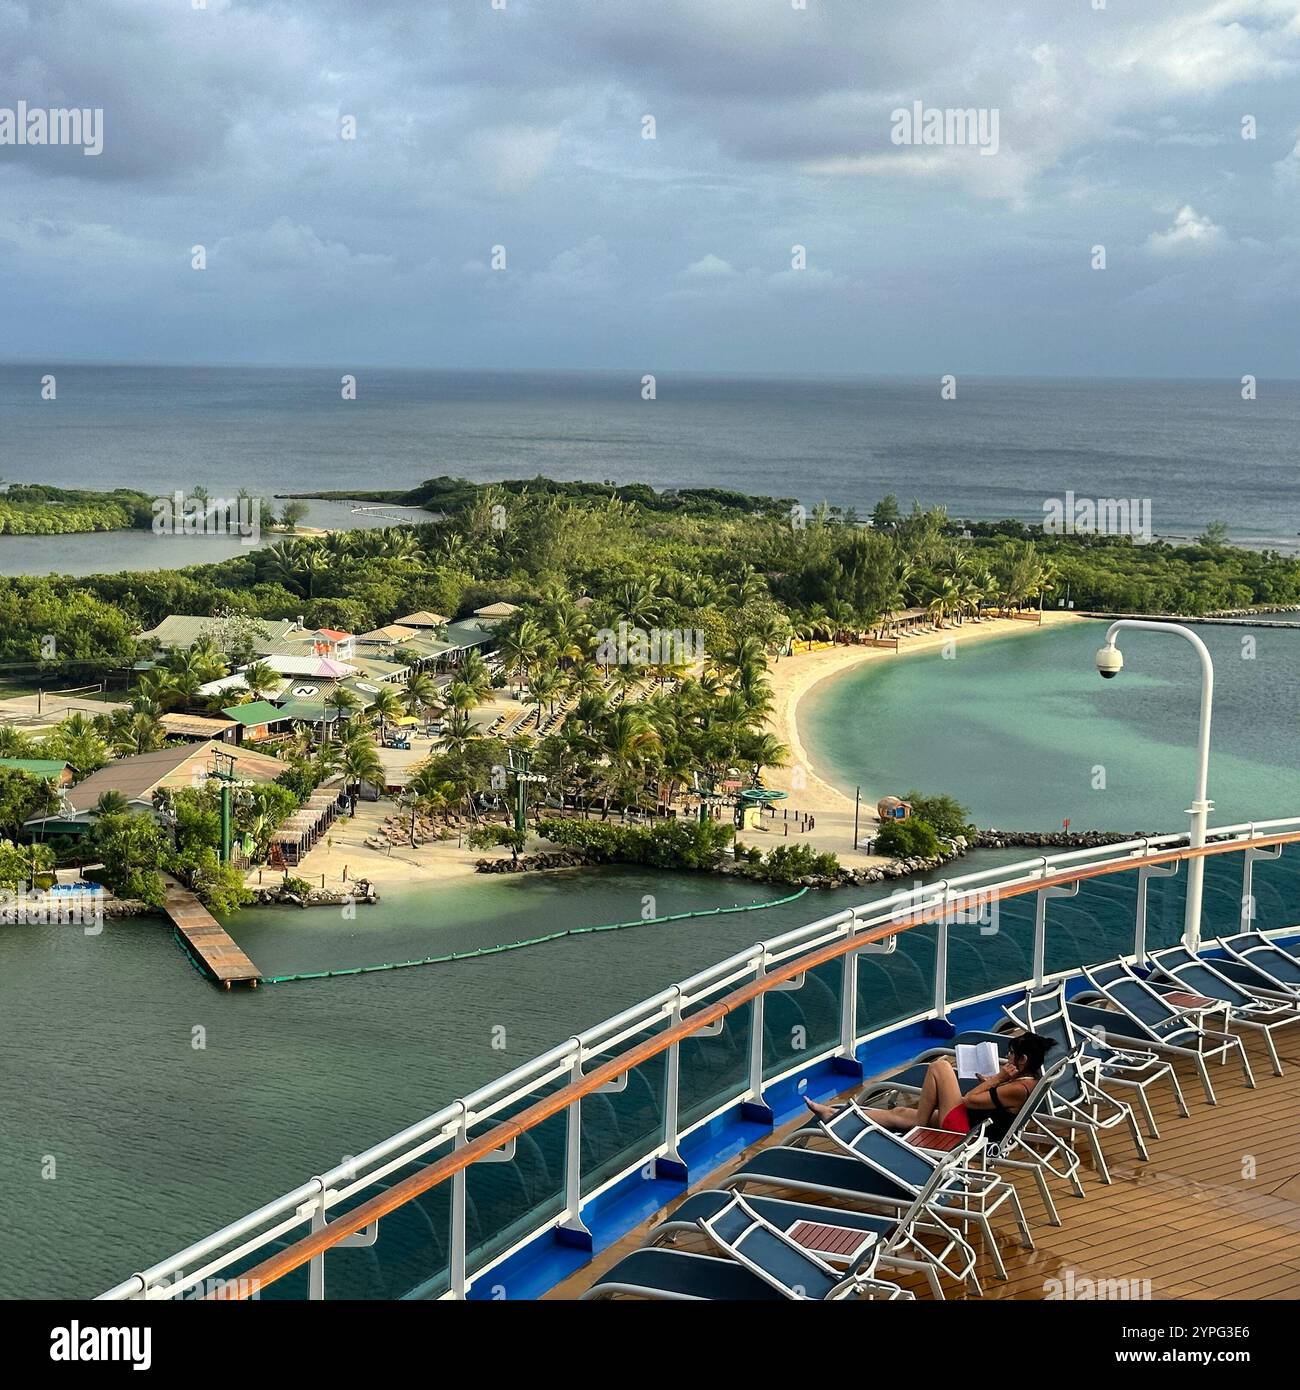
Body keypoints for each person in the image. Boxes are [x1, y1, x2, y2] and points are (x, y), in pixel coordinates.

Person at [805, 1033, 1055, 1144]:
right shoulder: (1028, 1082)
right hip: (973, 1124)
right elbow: (989, 1102)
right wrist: (993, 1082)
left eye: (1011, 1055)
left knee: (939, 1067)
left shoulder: (1019, 1088)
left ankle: (918, 1129)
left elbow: (969, 1100)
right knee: (901, 1112)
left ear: (1022, 1061)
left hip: (966, 1132)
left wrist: (996, 1078)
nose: (1007, 1058)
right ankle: (835, 1116)